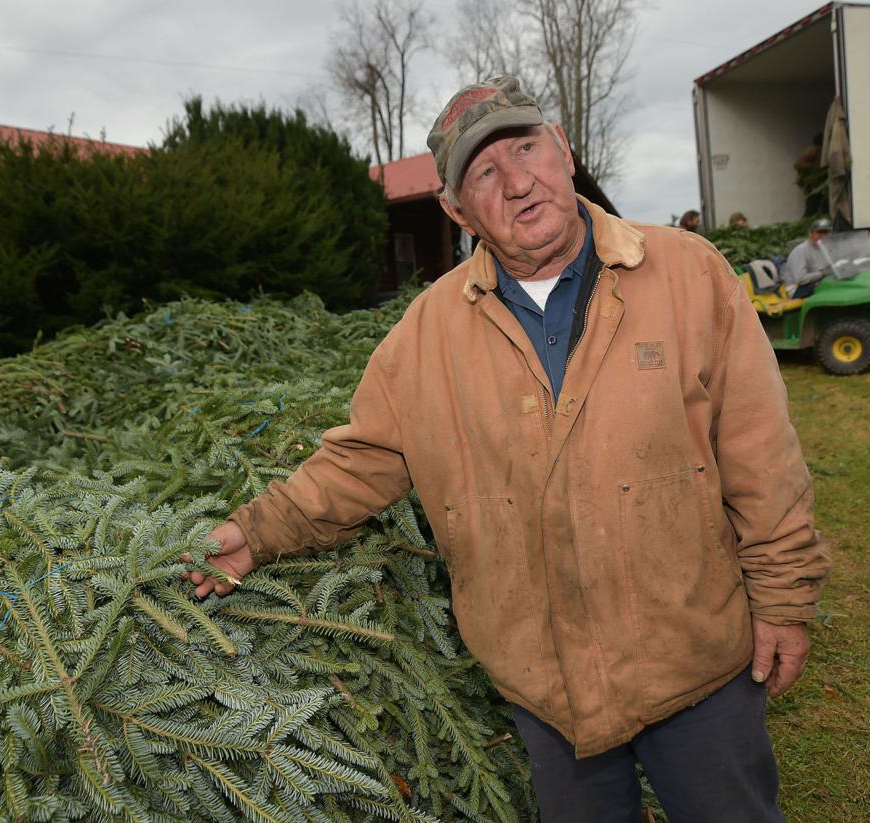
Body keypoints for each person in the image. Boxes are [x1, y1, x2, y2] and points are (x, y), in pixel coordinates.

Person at [189, 75, 830, 823]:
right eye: (485, 172)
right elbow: (358, 461)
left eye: (527, 148)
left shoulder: (688, 275)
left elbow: (761, 450)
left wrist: (784, 596)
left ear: (563, 149)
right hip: (547, 691)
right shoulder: (424, 339)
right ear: (457, 211)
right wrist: (258, 529)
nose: (519, 182)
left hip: (695, 662)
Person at [782, 217, 834, 298]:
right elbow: (801, 279)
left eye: (826, 232)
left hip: (816, 283)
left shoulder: (825, 248)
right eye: (819, 232)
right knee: (830, 291)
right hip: (797, 289)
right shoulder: (801, 250)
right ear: (811, 234)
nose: (823, 235)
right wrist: (823, 273)